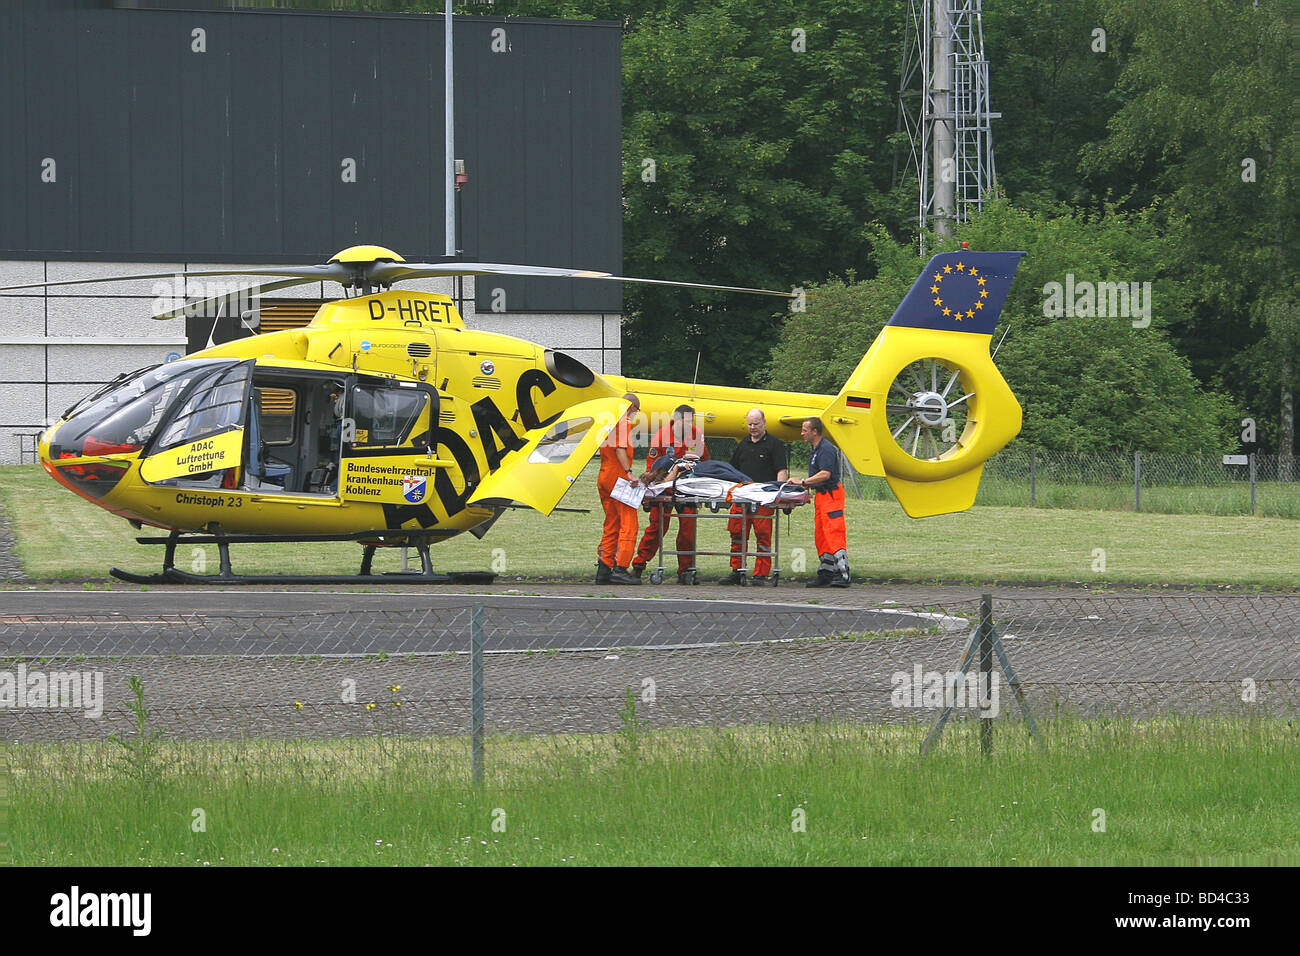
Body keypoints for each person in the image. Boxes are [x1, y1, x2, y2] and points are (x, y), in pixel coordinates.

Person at [631, 404, 706, 584]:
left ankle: (685, 571)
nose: (689, 425)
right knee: (656, 529)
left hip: (687, 489)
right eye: (687, 421)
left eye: (691, 421)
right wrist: (651, 495)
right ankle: (638, 566)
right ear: (677, 420)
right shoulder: (662, 436)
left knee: (688, 531)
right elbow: (652, 469)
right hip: (664, 488)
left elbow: (703, 462)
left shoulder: (697, 435)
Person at [722, 408, 788, 585]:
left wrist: (778, 495)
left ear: (764, 423)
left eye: (756, 424)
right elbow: (732, 469)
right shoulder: (743, 444)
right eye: (750, 424)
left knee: (763, 536)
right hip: (742, 497)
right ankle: (737, 570)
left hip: (763, 498)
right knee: (736, 534)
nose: (752, 427)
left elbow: (781, 470)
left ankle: (761, 573)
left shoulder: (774, 445)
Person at [796, 417, 850, 587]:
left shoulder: (826, 449)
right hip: (822, 495)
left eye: (805, 430)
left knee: (834, 533)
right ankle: (826, 573)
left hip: (831, 495)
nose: (802, 433)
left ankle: (843, 574)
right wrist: (806, 491)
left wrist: (803, 482)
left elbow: (825, 474)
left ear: (814, 431)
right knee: (821, 535)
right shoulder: (815, 449)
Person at [596, 394, 642, 585]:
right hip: (618, 479)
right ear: (631, 407)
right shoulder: (624, 421)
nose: (635, 415)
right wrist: (629, 472)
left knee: (612, 524)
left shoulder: (608, 421)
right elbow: (620, 449)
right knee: (629, 524)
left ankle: (604, 569)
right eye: (636, 410)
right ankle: (620, 568)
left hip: (604, 477)